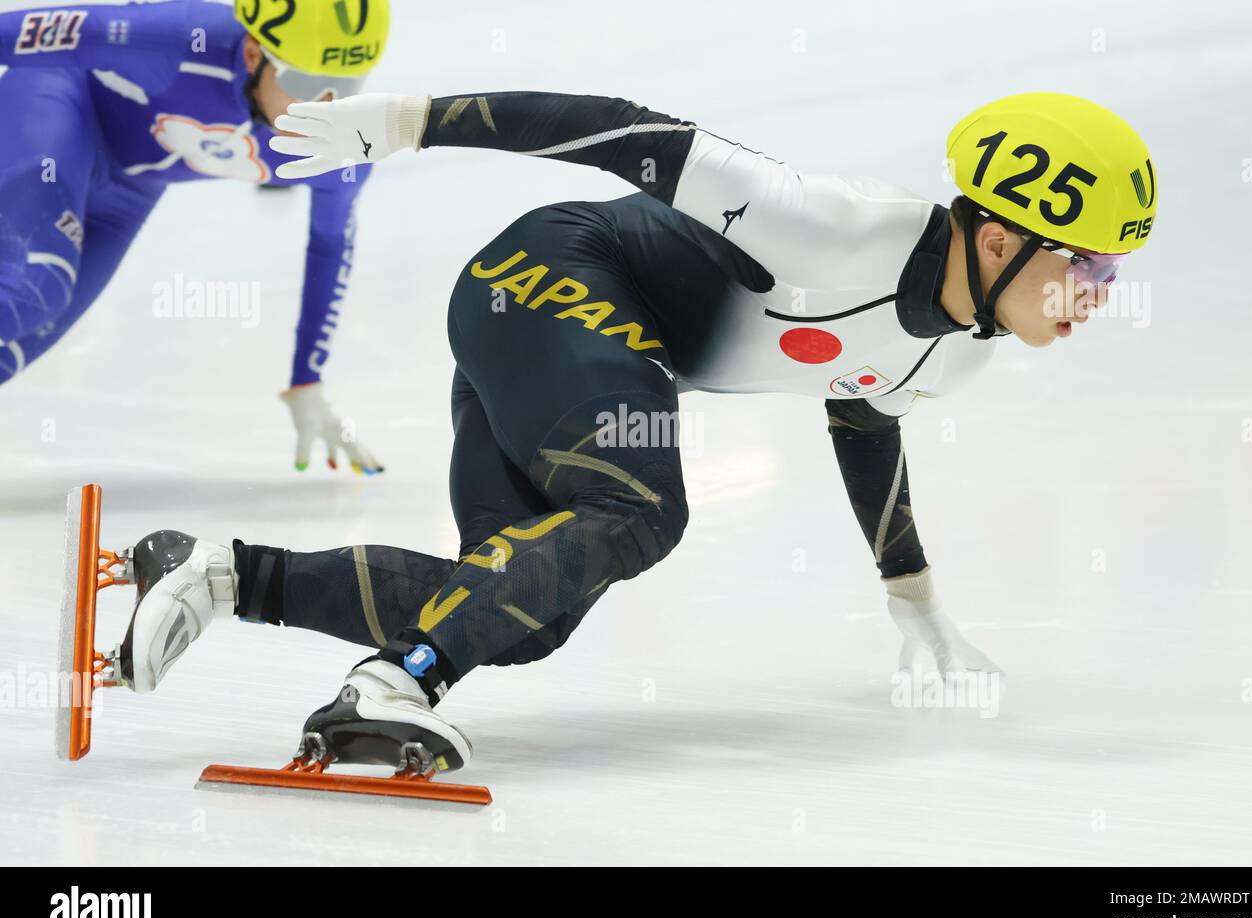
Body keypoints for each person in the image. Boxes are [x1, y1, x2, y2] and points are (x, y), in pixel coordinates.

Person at [110, 89, 1157, 775]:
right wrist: (413, 122)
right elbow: (636, 138)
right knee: (639, 507)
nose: (1098, 296)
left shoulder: (962, 347)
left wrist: (911, 596)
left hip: (557, 354)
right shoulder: (837, 224)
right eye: (1091, 269)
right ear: (1000, 235)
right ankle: (390, 685)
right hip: (553, 277)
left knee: (523, 611)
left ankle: (216, 573)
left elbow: (863, 414)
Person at [0, 0, 389, 474]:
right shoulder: (183, 40)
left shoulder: (341, 150)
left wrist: (307, 379)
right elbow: (28, 32)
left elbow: (331, 247)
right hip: (59, 99)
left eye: (348, 87)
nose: (328, 106)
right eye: (305, 84)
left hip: (129, 190)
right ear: (252, 53)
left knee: (13, 348)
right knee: (35, 289)